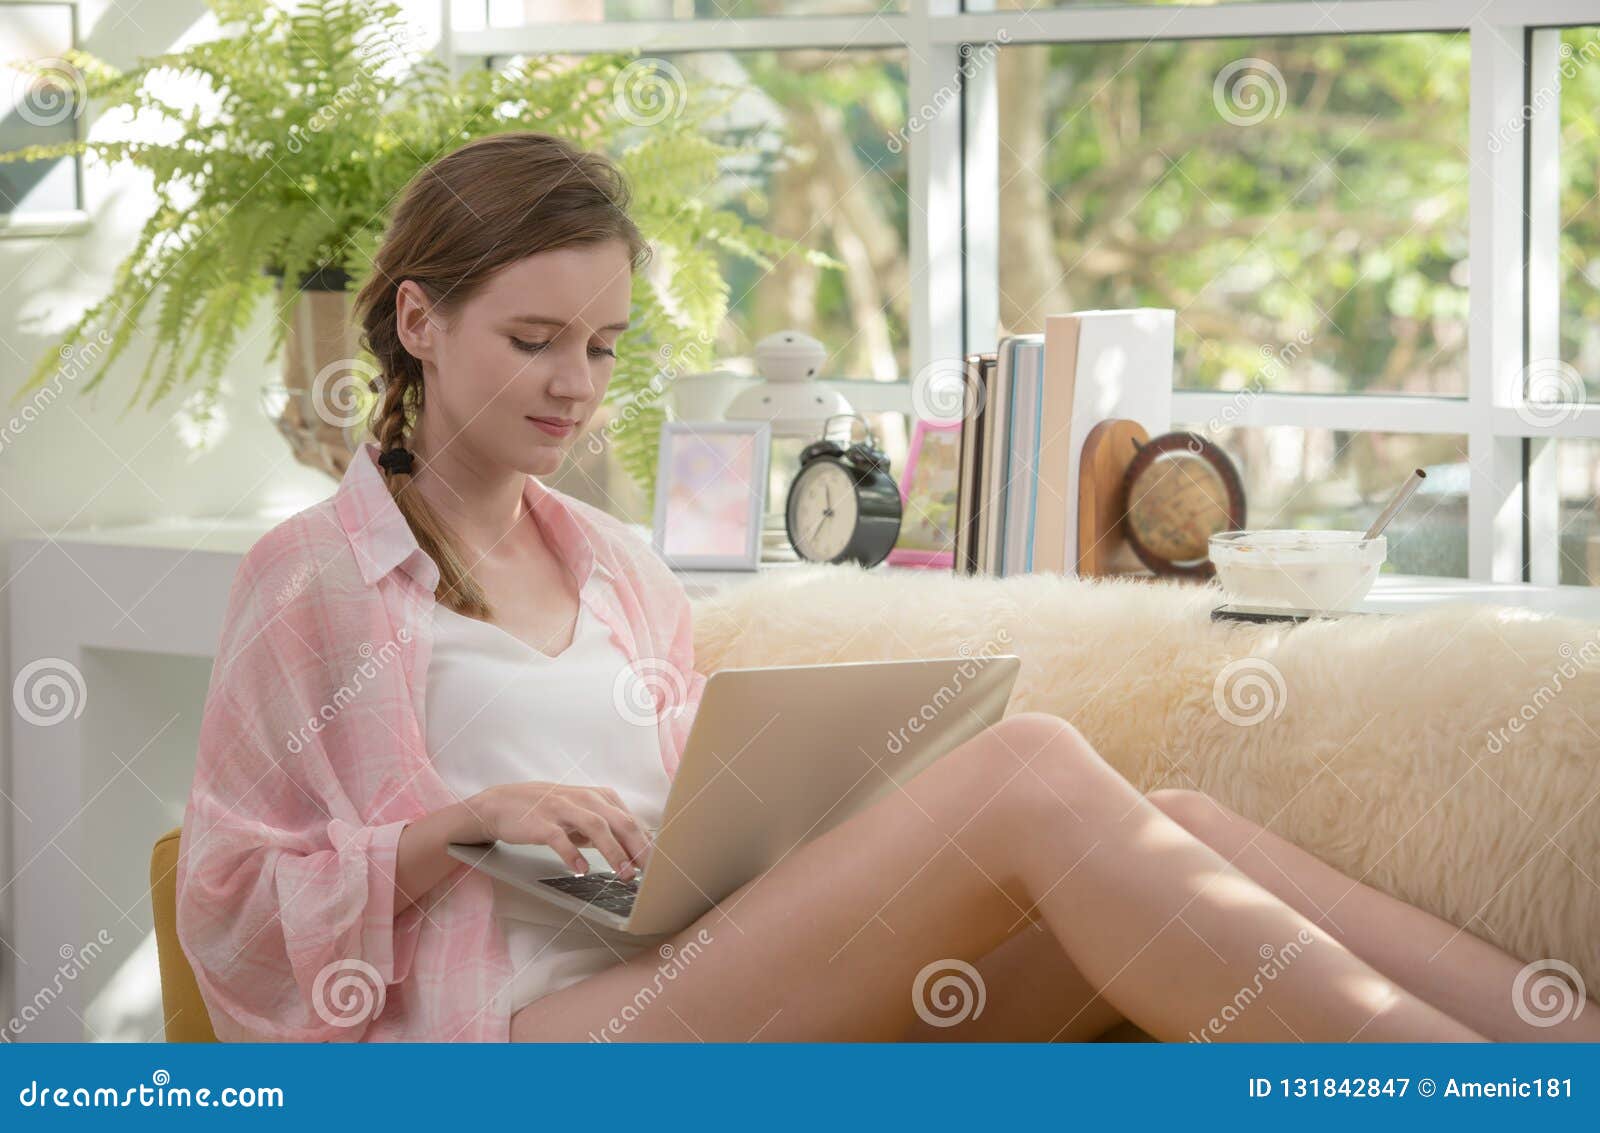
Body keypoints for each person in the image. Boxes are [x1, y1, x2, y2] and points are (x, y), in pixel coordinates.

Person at [174, 130, 1598, 1044]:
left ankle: (1553, 1047)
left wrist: (803, 815)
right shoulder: (314, 581)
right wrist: (451, 828)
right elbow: (227, 907)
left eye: (603, 347)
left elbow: (684, 837)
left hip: (695, 977)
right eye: (534, 337)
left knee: (1179, 825)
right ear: (416, 320)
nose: (574, 385)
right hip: (520, 1038)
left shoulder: (612, 564)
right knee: (1032, 769)